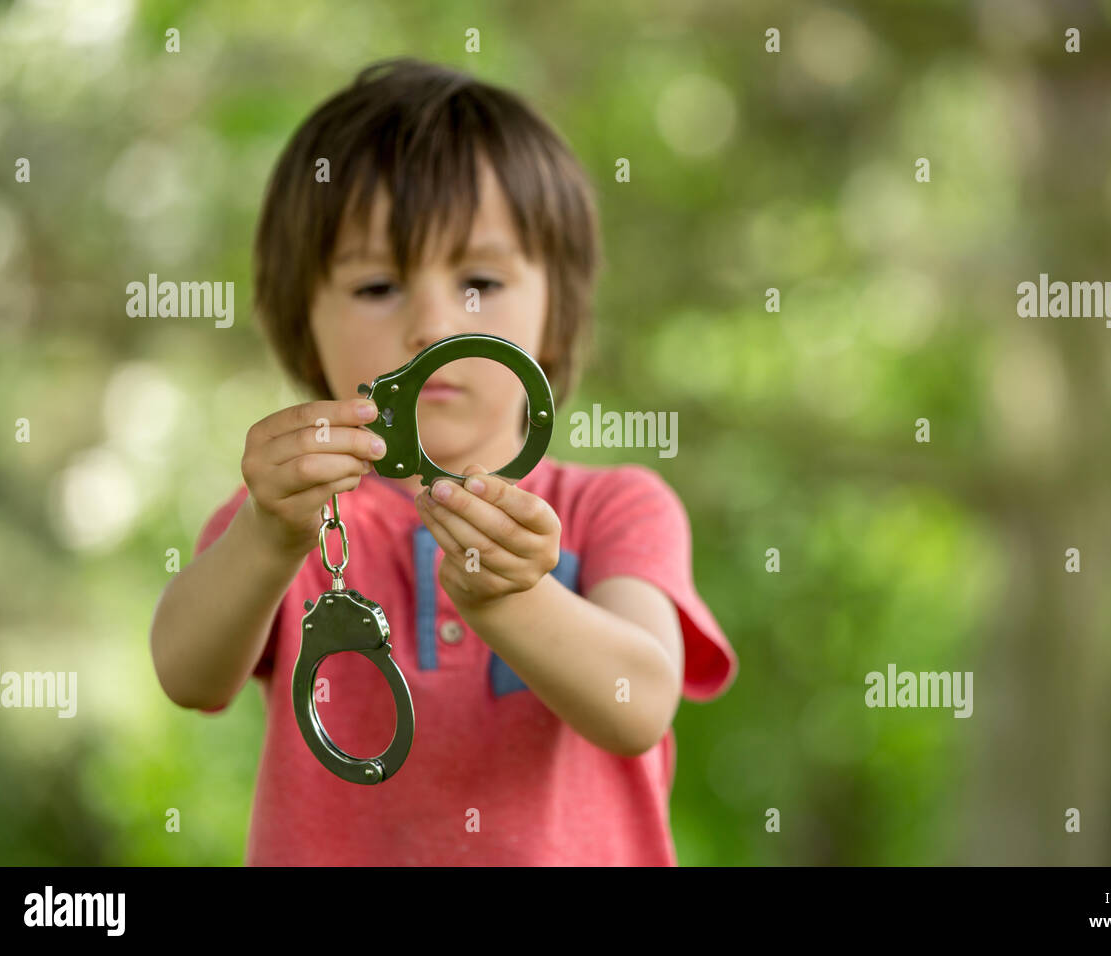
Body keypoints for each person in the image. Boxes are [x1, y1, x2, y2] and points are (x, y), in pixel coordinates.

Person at [149, 56, 737, 865]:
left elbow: (638, 705)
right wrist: (266, 537)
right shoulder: (288, 517)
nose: (430, 324)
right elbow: (188, 675)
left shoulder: (618, 509)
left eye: (481, 280)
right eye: (378, 286)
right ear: (300, 324)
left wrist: (514, 601)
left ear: (555, 319)